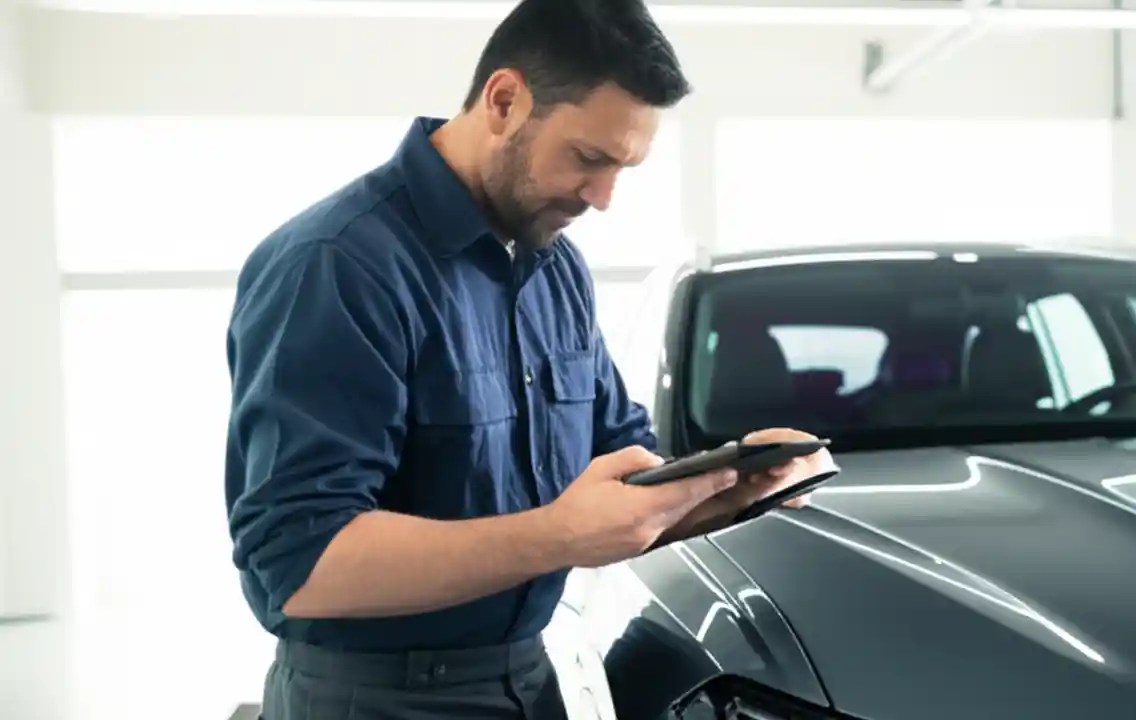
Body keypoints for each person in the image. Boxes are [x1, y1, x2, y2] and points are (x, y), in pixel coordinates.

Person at [223, 1, 831, 718]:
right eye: (589, 158)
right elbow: (298, 566)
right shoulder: (336, 265)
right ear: (505, 101)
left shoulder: (555, 268)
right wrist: (560, 534)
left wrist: (723, 492)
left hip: (529, 682)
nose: (603, 199)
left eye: (623, 169)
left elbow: (615, 474)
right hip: (376, 699)